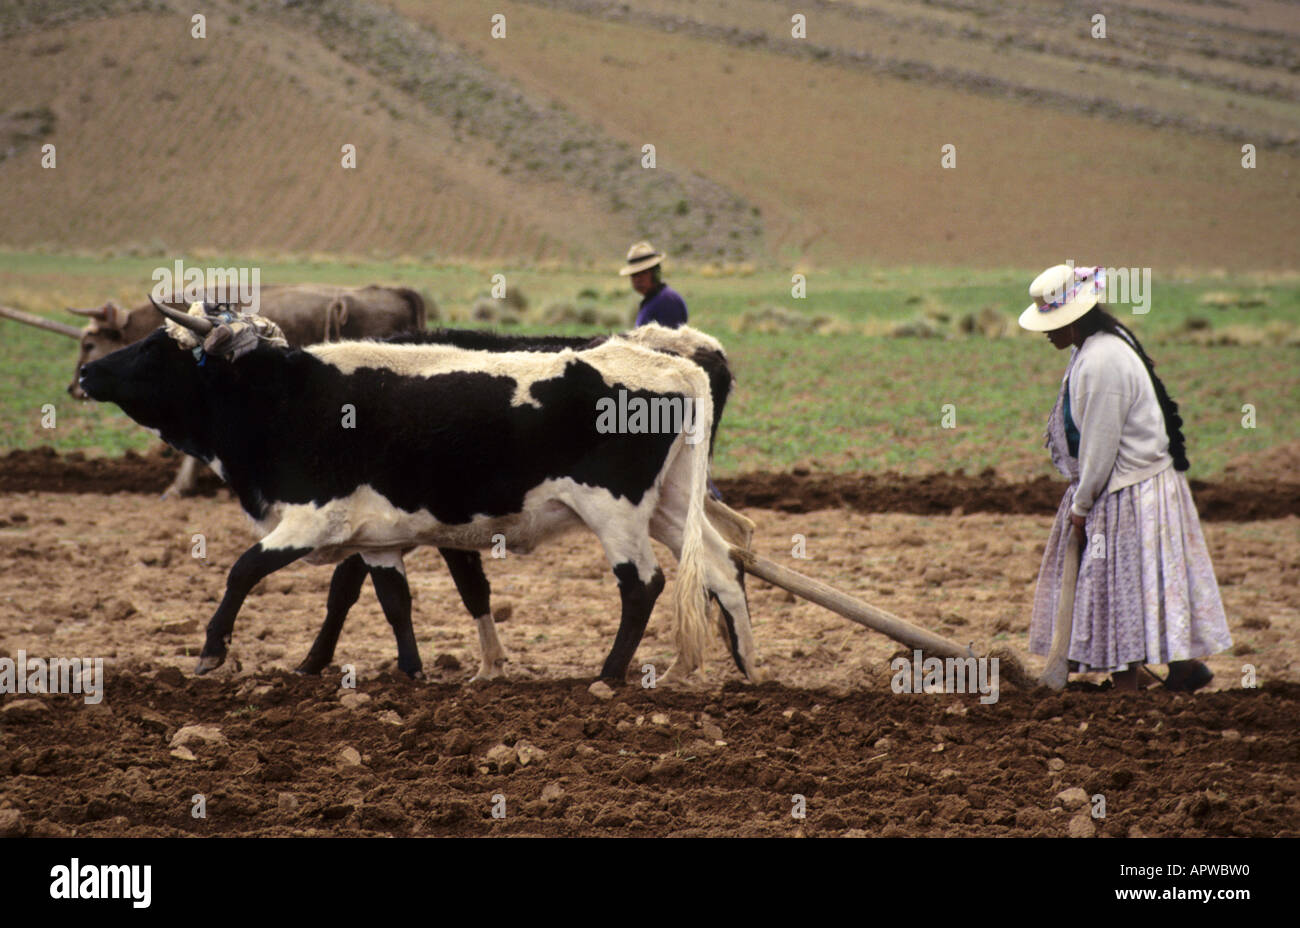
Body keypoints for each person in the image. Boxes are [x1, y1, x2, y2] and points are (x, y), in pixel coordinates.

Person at [1019, 264, 1231, 693]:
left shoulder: (1101, 363)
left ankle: (1126, 689)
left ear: (1075, 319)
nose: (1045, 332)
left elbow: (1100, 447)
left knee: (1118, 584)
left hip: (1129, 489)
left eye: (1052, 323)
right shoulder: (1099, 348)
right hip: (1135, 483)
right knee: (1136, 582)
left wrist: (1081, 505)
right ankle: (1182, 669)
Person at [620, 241, 688, 328]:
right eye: (634, 275)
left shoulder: (667, 301)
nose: (638, 279)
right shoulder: (652, 300)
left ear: (655, 273)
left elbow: (671, 340)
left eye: (643, 273)